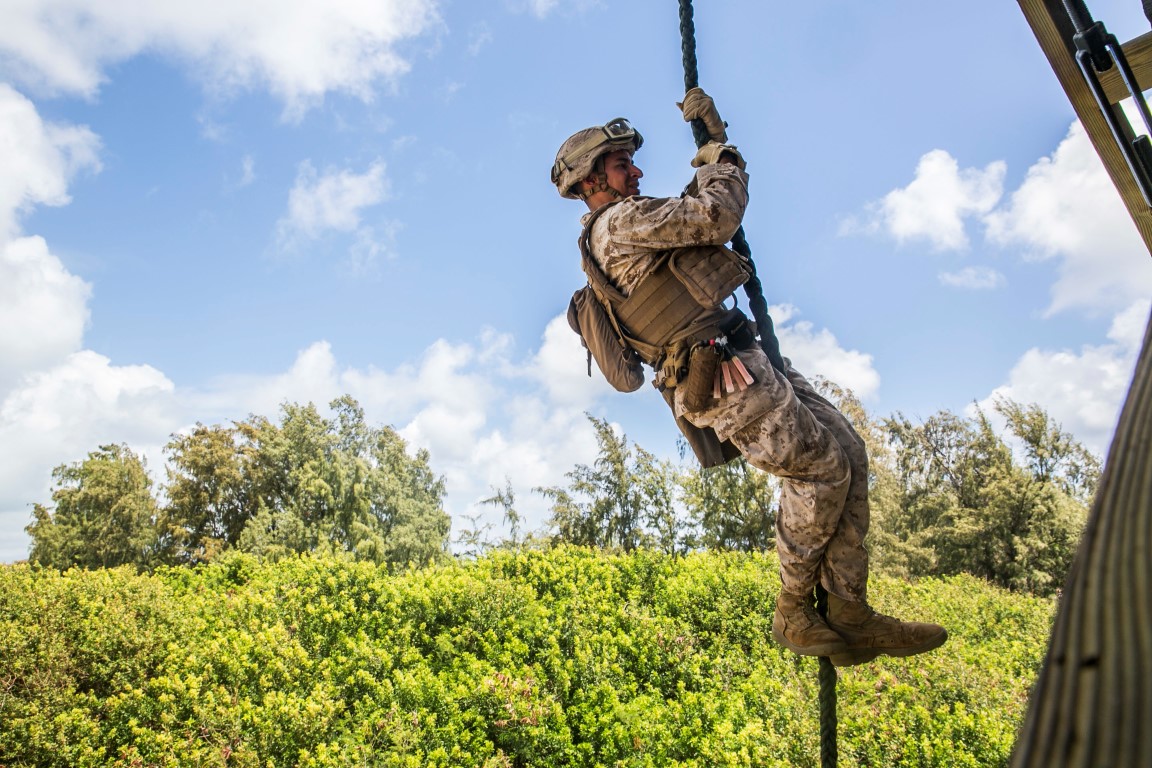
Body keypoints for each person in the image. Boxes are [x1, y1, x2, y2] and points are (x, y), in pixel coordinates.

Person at [552, 89, 947, 666]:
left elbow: (694, 212)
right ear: (591, 181)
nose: (634, 169)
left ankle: (848, 610)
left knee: (849, 453)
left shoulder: (628, 222)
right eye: (620, 163)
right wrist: (722, 156)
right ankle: (793, 609)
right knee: (819, 470)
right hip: (722, 374)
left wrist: (715, 143)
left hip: (742, 354)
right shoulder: (619, 223)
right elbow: (715, 214)